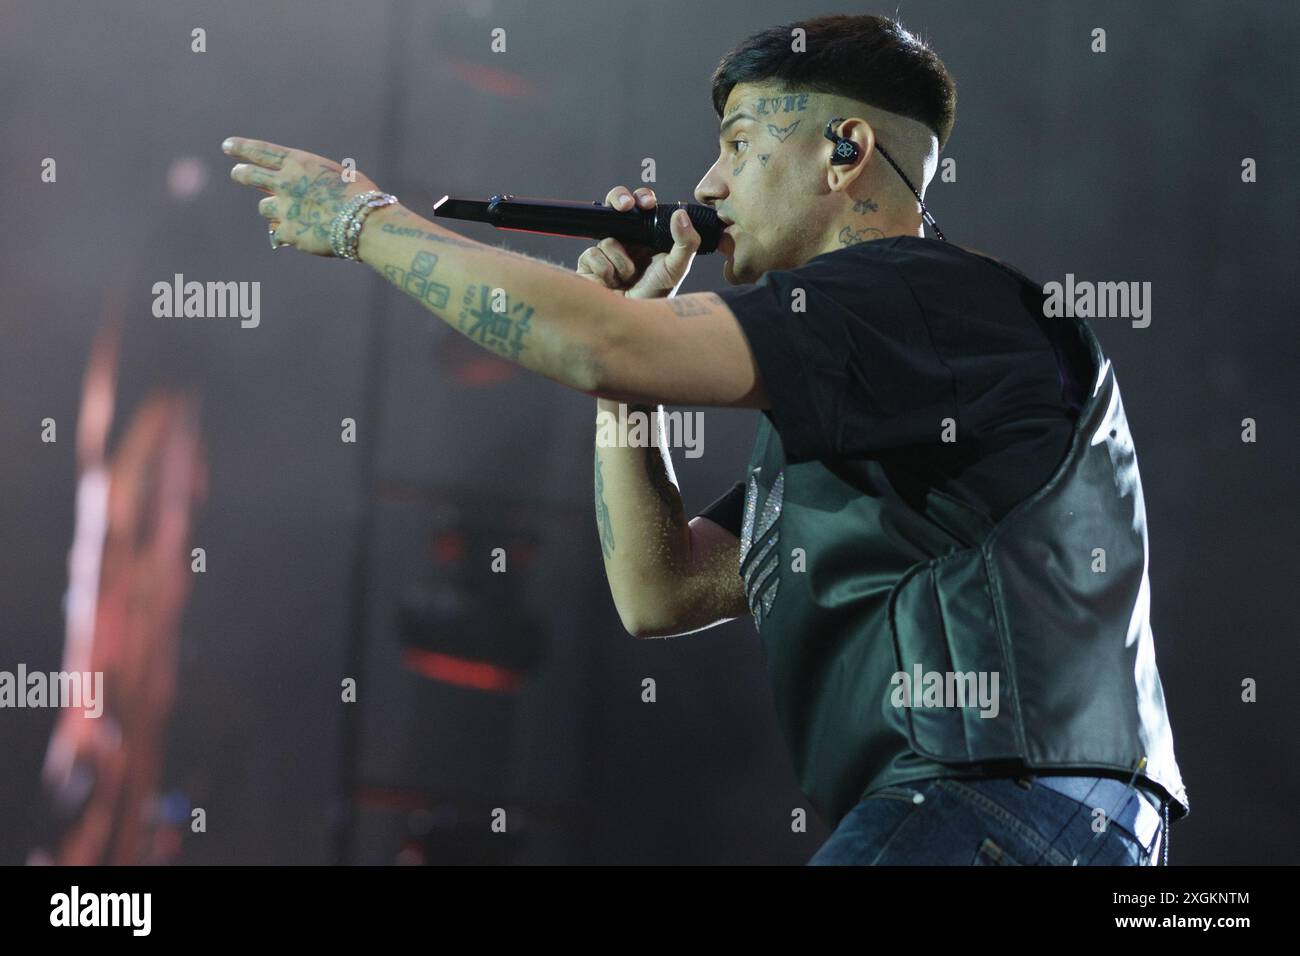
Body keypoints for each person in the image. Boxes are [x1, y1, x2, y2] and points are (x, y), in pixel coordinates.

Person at [225, 12, 1188, 865]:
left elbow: (588, 341)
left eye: (736, 143)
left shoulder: (925, 296)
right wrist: (630, 367)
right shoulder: (874, 384)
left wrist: (368, 223)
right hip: (1032, 820)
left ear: (843, 149)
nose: (708, 182)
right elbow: (661, 591)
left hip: (999, 806)